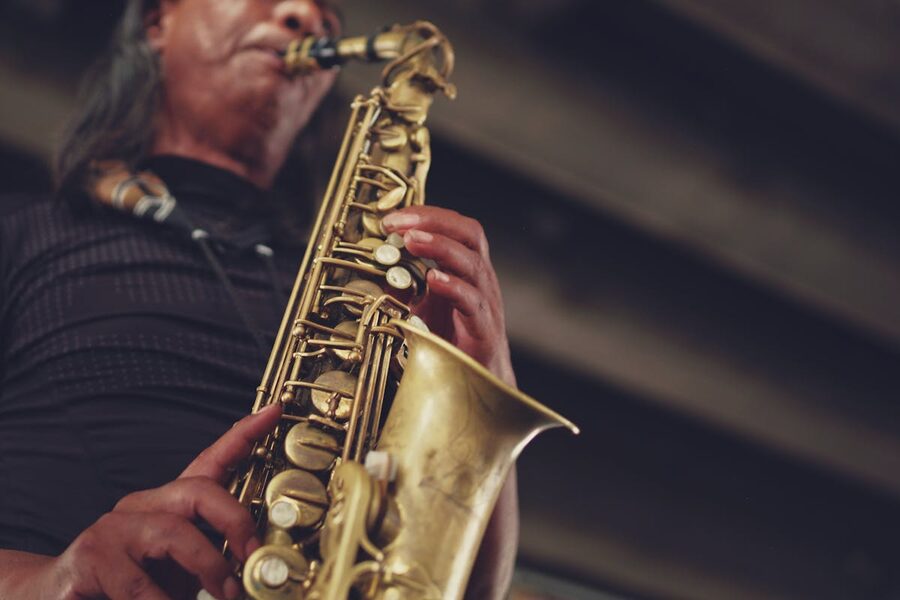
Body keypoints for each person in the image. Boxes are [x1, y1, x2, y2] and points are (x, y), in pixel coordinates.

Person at [0, 1, 519, 599]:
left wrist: (487, 373)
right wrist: (50, 581)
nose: (307, 15)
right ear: (156, 22)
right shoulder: (21, 234)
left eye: (329, 13)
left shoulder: (365, 298)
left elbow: (462, 587)